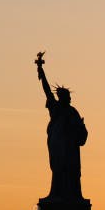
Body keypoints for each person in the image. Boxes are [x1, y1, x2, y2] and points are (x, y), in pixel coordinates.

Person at [36, 55, 88, 201]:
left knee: (71, 172)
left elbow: (82, 133)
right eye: (67, 97)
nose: (70, 99)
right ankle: (57, 194)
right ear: (62, 97)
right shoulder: (56, 108)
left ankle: (73, 196)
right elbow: (47, 90)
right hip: (58, 146)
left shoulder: (72, 112)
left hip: (70, 149)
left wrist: (81, 130)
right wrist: (41, 71)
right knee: (59, 170)